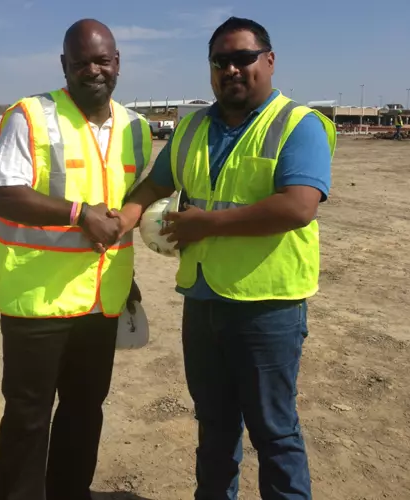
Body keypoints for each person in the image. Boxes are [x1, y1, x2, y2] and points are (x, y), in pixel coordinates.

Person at [106, 16, 337, 500]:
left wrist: (205, 224)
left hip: (268, 307)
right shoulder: (191, 128)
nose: (231, 69)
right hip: (204, 301)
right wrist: (120, 221)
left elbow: (298, 206)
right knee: (214, 426)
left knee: (274, 431)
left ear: (269, 61)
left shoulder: (299, 125)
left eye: (243, 58)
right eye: (220, 61)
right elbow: (154, 185)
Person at [0, 19, 151, 500]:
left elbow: (128, 201)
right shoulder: (32, 116)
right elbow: (0, 196)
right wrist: (78, 214)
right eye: (81, 63)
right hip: (37, 300)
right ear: (64, 66)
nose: (92, 71)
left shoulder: (136, 129)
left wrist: (129, 273)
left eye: (102, 61)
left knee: (84, 411)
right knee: (28, 416)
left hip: (101, 301)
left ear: (117, 63)